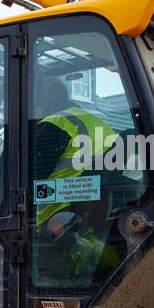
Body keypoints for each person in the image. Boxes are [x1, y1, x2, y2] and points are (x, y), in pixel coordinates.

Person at [30, 78, 120, 282]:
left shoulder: (55, 125)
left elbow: (21, 184)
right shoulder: (94, 123)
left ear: (40, 105)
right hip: (92, 218)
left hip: (58, 221)